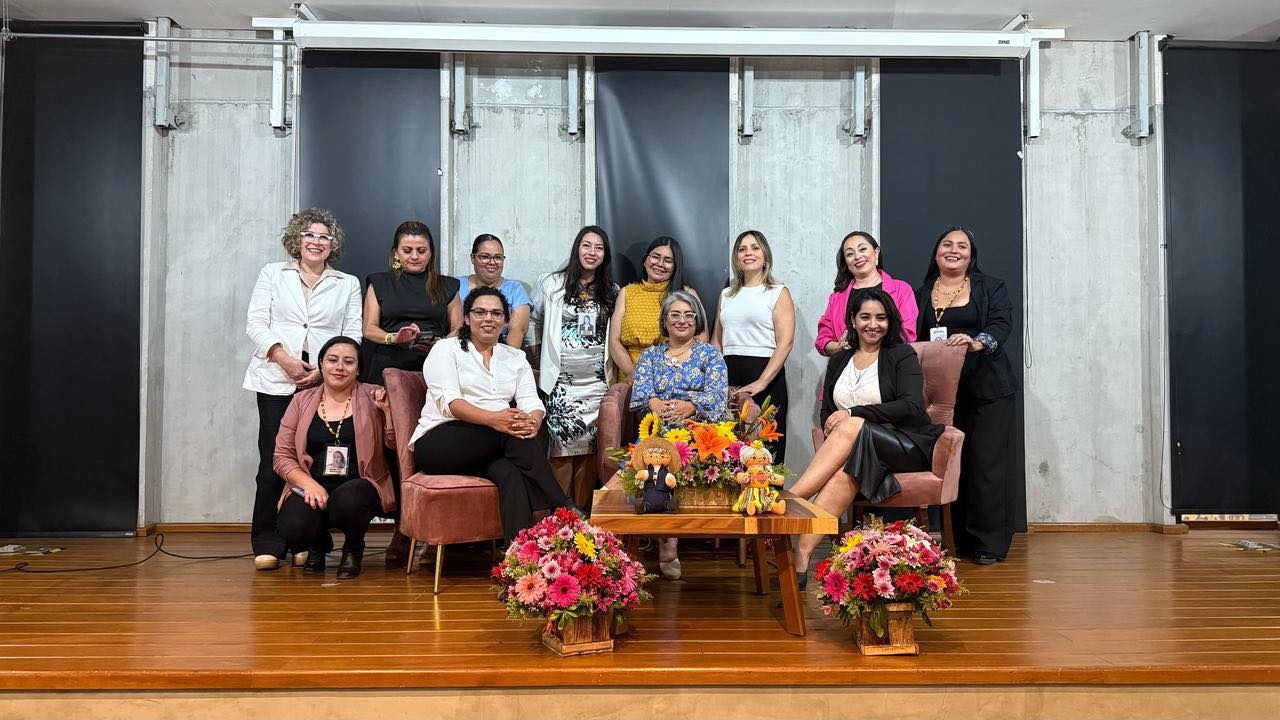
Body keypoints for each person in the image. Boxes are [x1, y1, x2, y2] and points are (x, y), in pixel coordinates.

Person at [789, 288, 943, 588]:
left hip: (905, 443)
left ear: (890, 321)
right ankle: (802, 553)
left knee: (851, 423)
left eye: (881, 318)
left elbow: (911, 406)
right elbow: (827, 413)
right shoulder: (839, 360)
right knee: (845, 474)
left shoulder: (901, 354)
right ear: (853, 320)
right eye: (865, 317)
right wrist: (840, 426)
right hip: (859, 448)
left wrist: (854, 415)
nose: (873, 324)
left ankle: (793, 499)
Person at [410, 287, 581, 542]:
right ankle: (561, 504)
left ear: (506, 320)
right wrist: (496, 420)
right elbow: (450, 403)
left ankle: (521, 556)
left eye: (496, 313)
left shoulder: (515, 357)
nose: (488, 318)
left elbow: (530, 400)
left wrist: (533, 421)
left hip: (493, 445)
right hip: (440, 442)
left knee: (511, 474)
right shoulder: (446, 349)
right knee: (510, 435)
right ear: (467, 318)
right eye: (480, 312)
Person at [243, 208, 362, 572]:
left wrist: (325, 373)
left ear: (333, 245)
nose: (316, 241)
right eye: (309, 235)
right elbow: (256, 323)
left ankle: (311, 541)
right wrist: (285, 359)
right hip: (276, 379)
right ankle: (269, 540)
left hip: (326, 384)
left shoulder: (348, 283)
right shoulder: (272, 274)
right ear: (297, 239)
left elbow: (353, 332)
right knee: (273, 463)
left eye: (324, 236)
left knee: (319, 462)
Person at [916, 227, 1018, 565]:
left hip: (988, 389)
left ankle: (988, 543)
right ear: (936, 252)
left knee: (986, 466)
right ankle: (957, 540)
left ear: (971, 255)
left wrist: (978, 341)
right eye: (947, 244)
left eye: (963, 246)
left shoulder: (991, 287)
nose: (954, 250)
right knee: (951, 465)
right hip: (943, 394)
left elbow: (1002, 324)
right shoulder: (922, 293)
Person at [273, 335, 397, 580]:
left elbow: (395, 447)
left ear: (359, 368)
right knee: (291, 526)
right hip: (313, 484)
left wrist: (388, 414)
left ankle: (353, 548)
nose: (340, 367)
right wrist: (308, 484)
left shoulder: (375, 397)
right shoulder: (301, 400)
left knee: (348, 500)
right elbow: (282, 455)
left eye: (349, 362)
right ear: (321, 364)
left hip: (360, 484)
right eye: (333, 360)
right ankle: (317, 544)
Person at [628, 289, 729, 580]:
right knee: (654, 458)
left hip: (700, 427)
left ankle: (671, 539)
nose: (682, 320)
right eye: (675, 315)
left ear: (697, 320)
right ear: (665, 320)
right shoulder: (651, 355)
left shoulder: (709, 354)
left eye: (689, 315)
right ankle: (666, 540)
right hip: (658, 428)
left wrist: (690, 405)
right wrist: (656, 404)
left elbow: (718, 395)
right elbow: (641, 393)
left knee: (685, 456)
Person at [531, 226, 620, 510]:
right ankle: (560, 519)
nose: (592, 252)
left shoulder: (612, 291)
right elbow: (535, 324)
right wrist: (536, 361)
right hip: (561, 384)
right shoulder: (551, 284)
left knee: (588, 454)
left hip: (596, 383)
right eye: (586, 245)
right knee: (561, 452)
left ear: (605, 255)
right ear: (576, 249)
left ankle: (582, 520)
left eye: (599, 248)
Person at [713, 230, 795, 462]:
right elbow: (717, 342)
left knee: (765, 452)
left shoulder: (778, 292)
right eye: (742, 249)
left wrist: (761, 382)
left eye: (755, 247)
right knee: (729, 452)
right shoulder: (726, 294)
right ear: (736, 257)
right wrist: (717, 382)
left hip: (765, 376)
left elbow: (785, 343)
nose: (748, 253)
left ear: (765, 254)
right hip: (729, 376)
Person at [362, 221, 462, 385]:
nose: (414, 256)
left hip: (436, 363)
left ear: (431, 253)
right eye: (407, 251)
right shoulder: (379, 282)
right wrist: (394, 338)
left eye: (421, 251)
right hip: (388, 364)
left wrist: (440, 344)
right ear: (396, 253)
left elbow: (458, 328)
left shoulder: (448, 285)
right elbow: (368, 329)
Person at [608, 236, 705, 383]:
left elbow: (701, 339)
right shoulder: (627, 292)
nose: (660, 264)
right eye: (655, 257)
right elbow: (614, 340)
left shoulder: (686, 294)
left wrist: (672, 375)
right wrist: (634, 374)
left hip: (675, 379)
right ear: (645, 260)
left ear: (675, 266)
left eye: (668, 260)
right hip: (631, 378)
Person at [816, 231, 919, 355]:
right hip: (847, 366)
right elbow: (822, 340)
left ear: (876, 253)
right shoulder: (837, 297)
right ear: (846, 262)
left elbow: (907, 334)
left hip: (889, 366)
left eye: (862, 249)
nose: (857, 256)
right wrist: (839, 346)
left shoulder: (902, 290)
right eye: (850, 254)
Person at [455, 233, 533, 349]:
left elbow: (517, 331)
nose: (492, 262)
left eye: (498, 257)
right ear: (472, 258)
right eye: (485, 257)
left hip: (501, 354)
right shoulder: (455, 285)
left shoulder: (515, 290)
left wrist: (506, 361)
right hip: (459, 351)